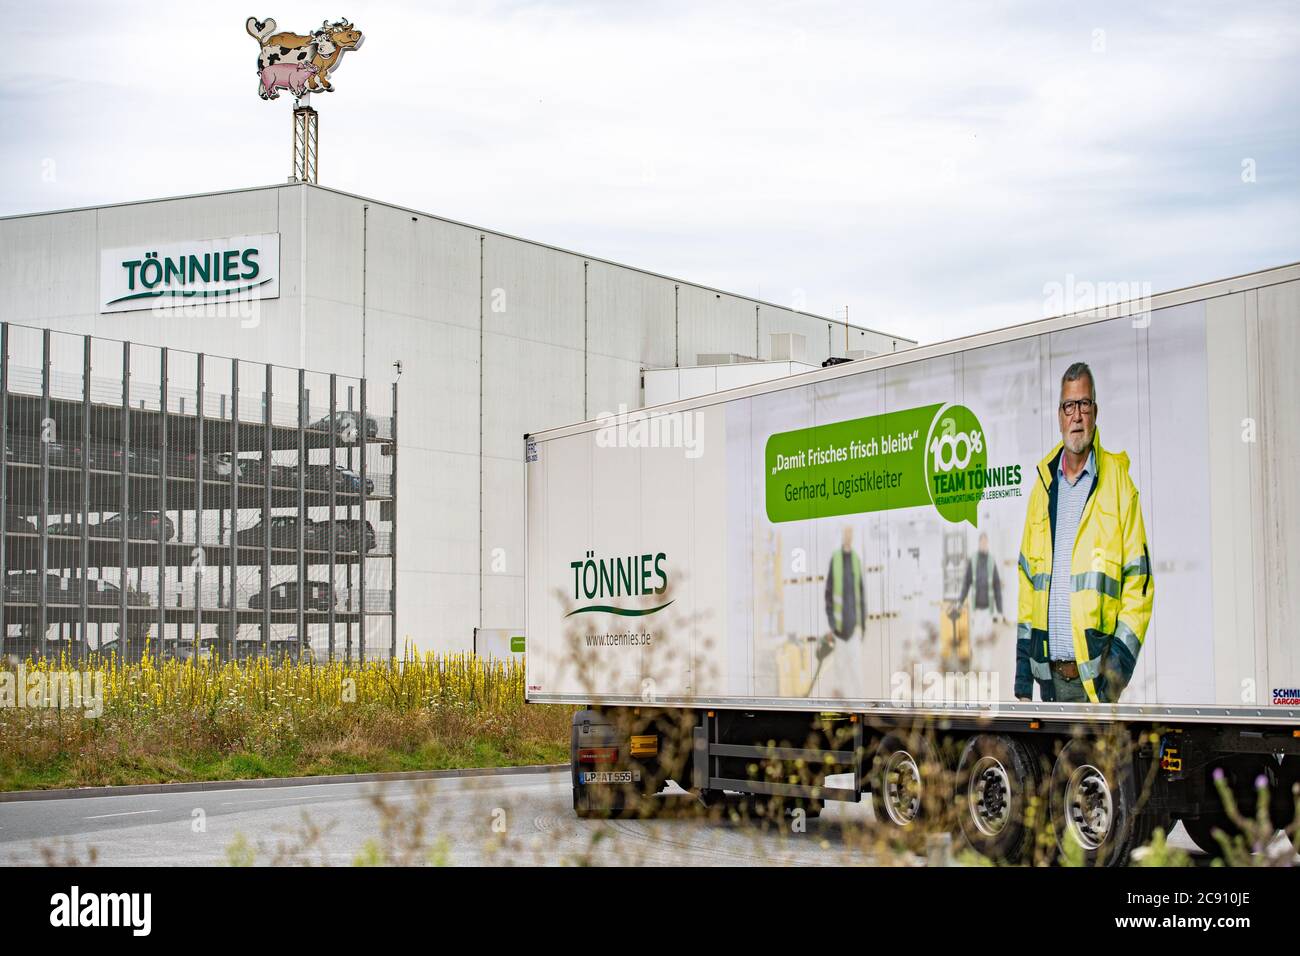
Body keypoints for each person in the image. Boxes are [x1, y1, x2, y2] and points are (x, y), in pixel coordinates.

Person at [1014, 362, 1154, 704]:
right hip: (1049, 682)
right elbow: (1028, 582)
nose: (1076, 416)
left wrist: (1114, 676)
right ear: (1060, 416)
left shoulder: (1119, 486)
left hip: (1093, 689)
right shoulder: (1043, 488)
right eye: (1068, 406)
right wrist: (1022, 676)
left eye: (1084, 404)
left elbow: (1140, 586)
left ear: (1095, 412)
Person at [954, 531, 1003, 654]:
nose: (984, 544)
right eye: (982, 542)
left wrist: (1000, 611)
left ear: (988, 544)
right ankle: (976, 664)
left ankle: (985, 667)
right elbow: (966, 582)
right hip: (976, 610)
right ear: (979, 543)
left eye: (986, 542)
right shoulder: (973, 560)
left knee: (986, 641)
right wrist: (960, 601)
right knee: (975, 638)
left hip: (988, 610)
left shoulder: (992, 561)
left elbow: (997, 586)